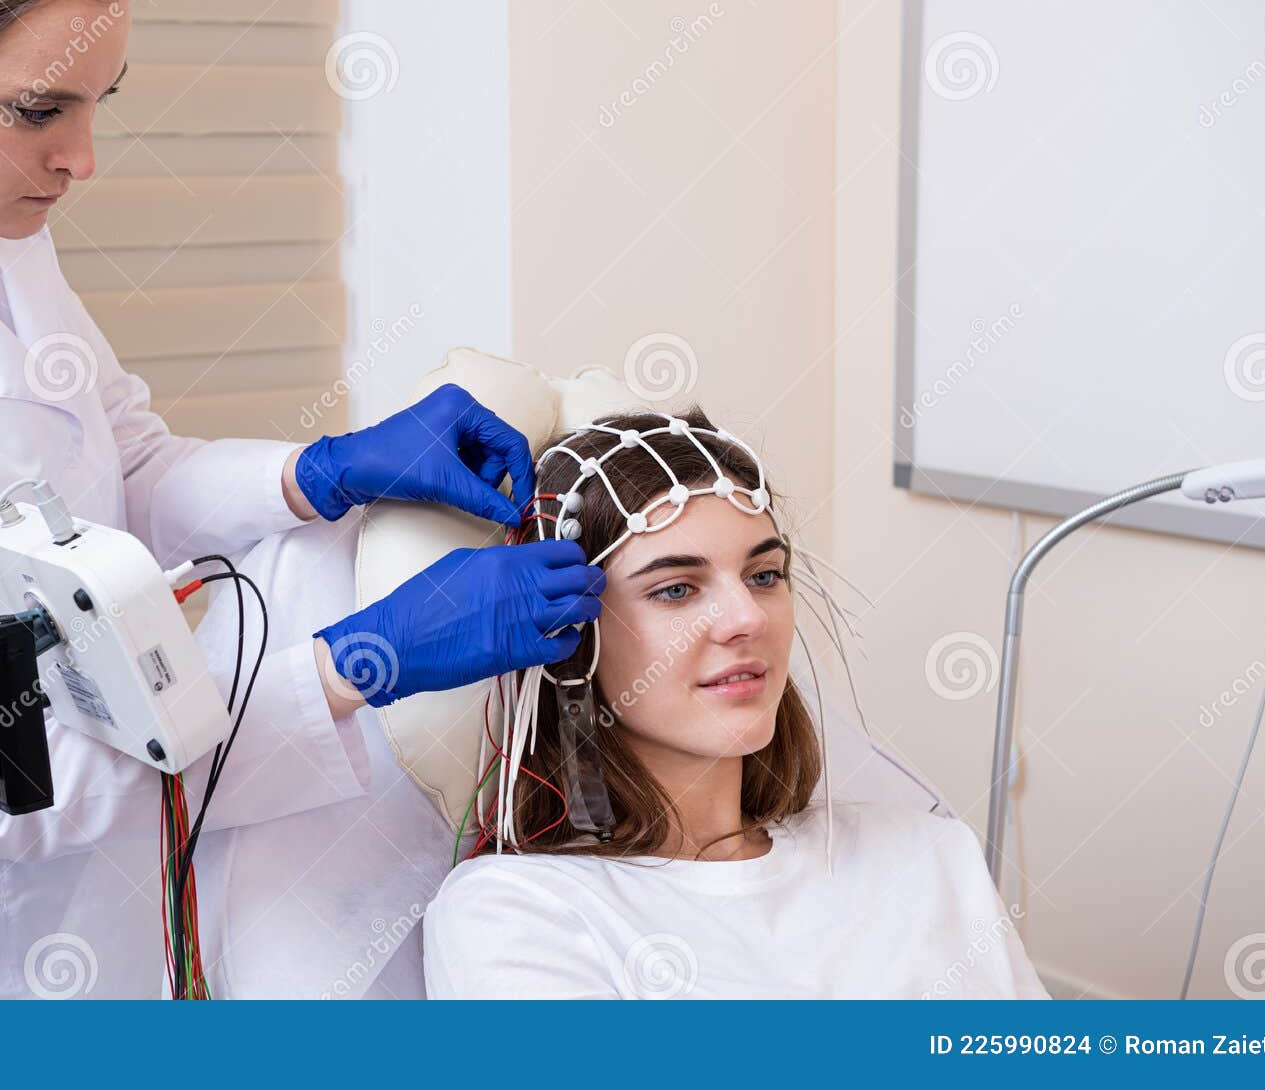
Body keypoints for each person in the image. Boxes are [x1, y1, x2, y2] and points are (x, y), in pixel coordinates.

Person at [0, 0, 600, 999]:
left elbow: (113, 475)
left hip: (93, 910)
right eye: (38, 111)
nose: (81, 158)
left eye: (100, 103)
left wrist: (317, 473)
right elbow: (4, 765)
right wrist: (365, 661)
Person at [422, 409, 1050, 999]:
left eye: (764, 576)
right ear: (567, 637)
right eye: (676, 589)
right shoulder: (520, 913)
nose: (747, 618)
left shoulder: (927, 854)